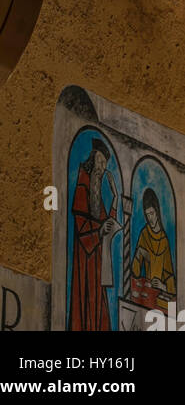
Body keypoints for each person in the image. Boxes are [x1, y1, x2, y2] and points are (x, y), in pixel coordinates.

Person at [69, 138, 118, 330]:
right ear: (93, 159)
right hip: (85, 257)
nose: (102, 168)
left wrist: (114, 199)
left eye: (104, 164)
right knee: (86, 304)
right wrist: (99, 231)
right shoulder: (83, 183)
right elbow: (81, 227)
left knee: (99, 307)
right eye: (100, 162)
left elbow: (105, 222)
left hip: (97, 258)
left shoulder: (96, 189)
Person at [131, 188, 175, 296]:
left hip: (160, 293)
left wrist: (162, 286)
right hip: (146, 292)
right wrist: (138, 253)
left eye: (152, 213)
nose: (150, 218)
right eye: (147, 215)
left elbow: (170, 277)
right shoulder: (144, 234)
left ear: (157, 211)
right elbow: (135, 272)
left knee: (171, 309)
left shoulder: (164, 240)